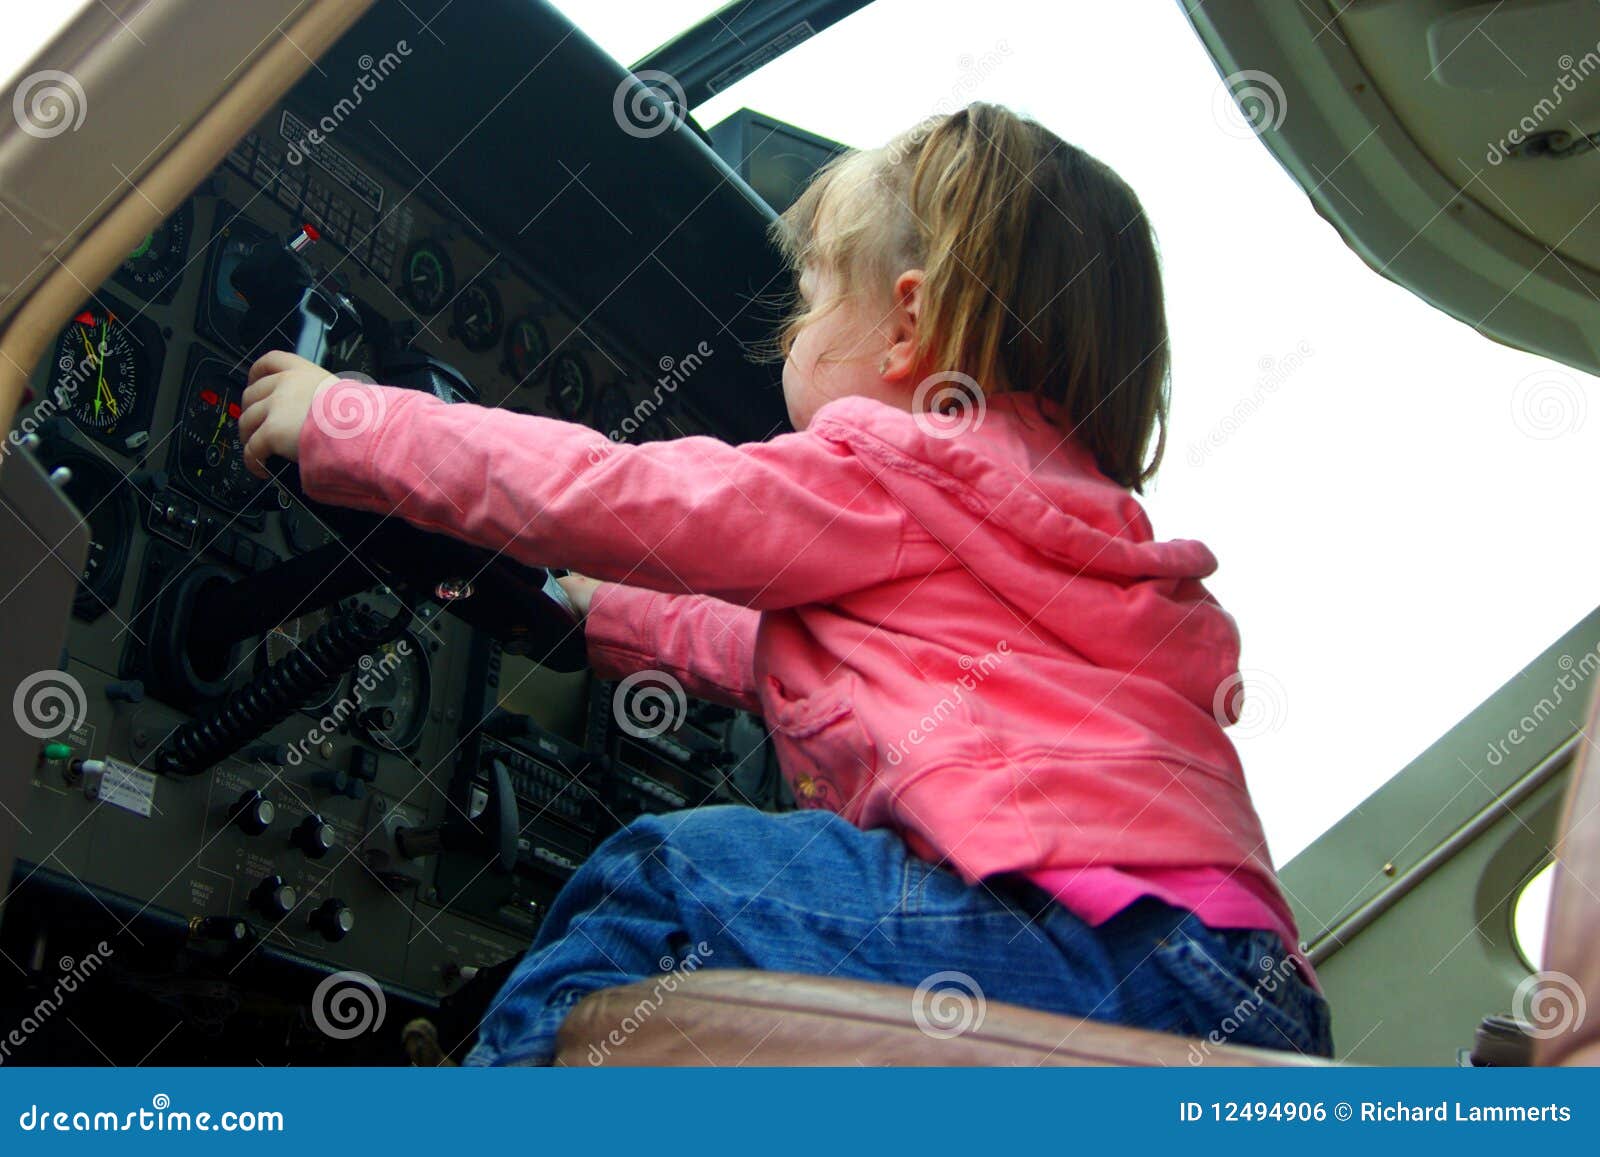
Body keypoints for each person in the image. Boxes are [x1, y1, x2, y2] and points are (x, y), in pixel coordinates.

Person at [239, 102, 1333, 1065]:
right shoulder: (1067, 524)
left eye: (807, 304)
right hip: (1246, 989)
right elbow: (791, 654)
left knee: (669, 879)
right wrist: (596, 610)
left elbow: (618, 496)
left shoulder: (898, 464)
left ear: (906, 325)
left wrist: (346, 418)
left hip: (1083, 949)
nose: (792, 336)